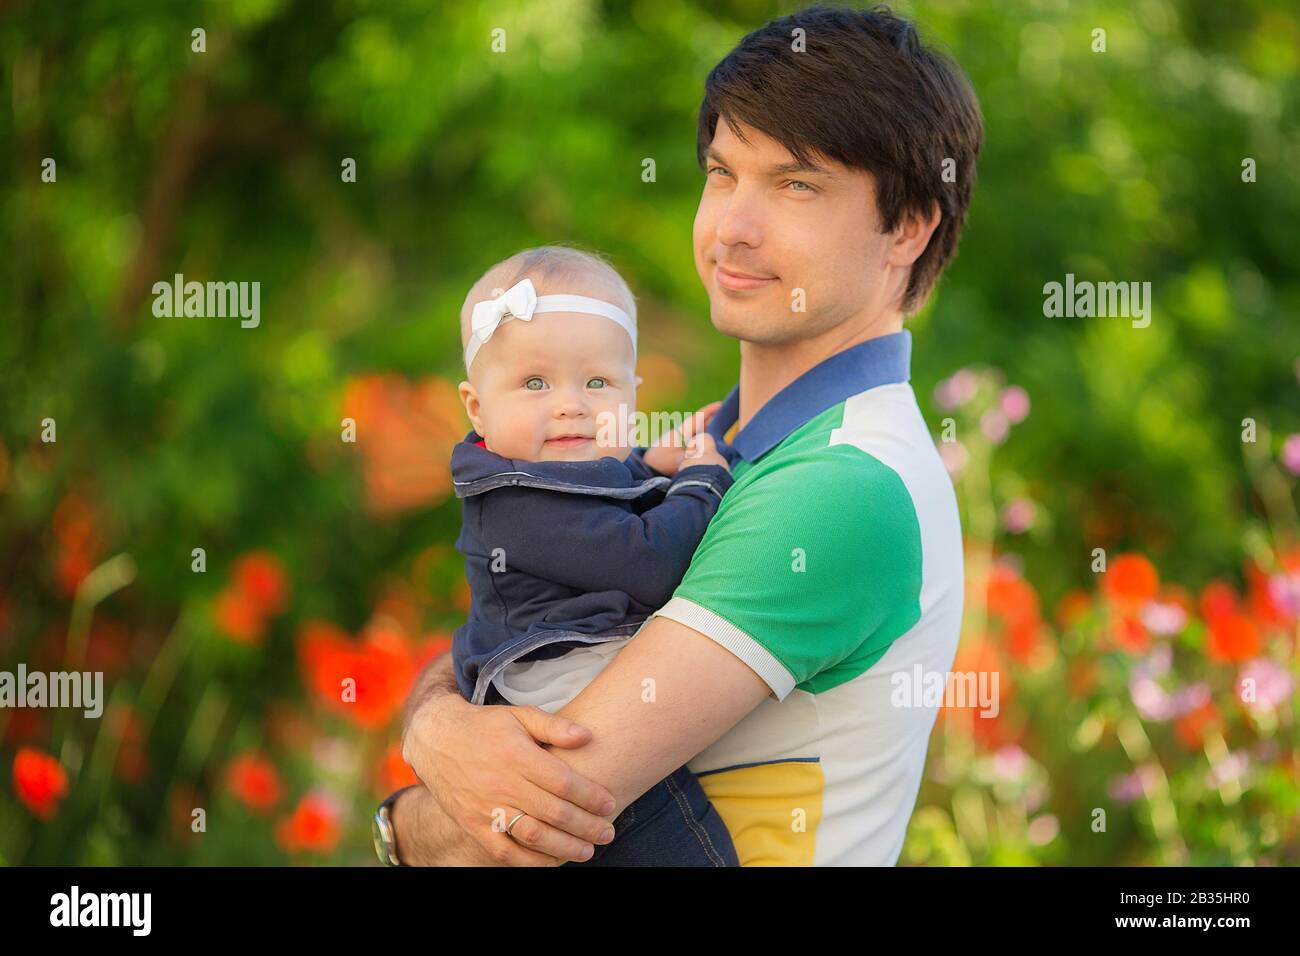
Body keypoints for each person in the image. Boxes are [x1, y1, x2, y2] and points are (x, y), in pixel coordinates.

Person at [376, 3, 983, 866]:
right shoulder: (714, 444)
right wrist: (435, 723)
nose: (733, 226)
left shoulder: (844, 483)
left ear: (909, 226)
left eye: (795, 184)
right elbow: (523, 625)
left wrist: (398, 824)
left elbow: (527, 812)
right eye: (723, 173)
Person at [446, 245, 737, 865]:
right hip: (567, 720)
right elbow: (647, 564)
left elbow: (597, 489)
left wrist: (651, 465)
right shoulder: (514, 502)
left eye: (597, 382)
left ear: (632, 392)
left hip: (585, 696)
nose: (571, 404)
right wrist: (700, 482)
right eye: (534, 382)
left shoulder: (538, 471)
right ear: (476, 406)